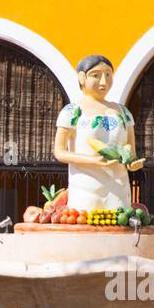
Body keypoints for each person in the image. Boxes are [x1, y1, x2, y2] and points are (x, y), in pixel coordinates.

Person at [52, 55, 146, 214]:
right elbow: (59, 152)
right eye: (96, 75)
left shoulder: (123, 112)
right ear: (82, 78)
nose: (104, 82)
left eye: (108, 75)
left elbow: (129, 146)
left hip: (119, 189)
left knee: (120, 224)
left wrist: (131, 162)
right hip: (86, 188)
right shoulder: (72, 111)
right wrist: (93, 160)